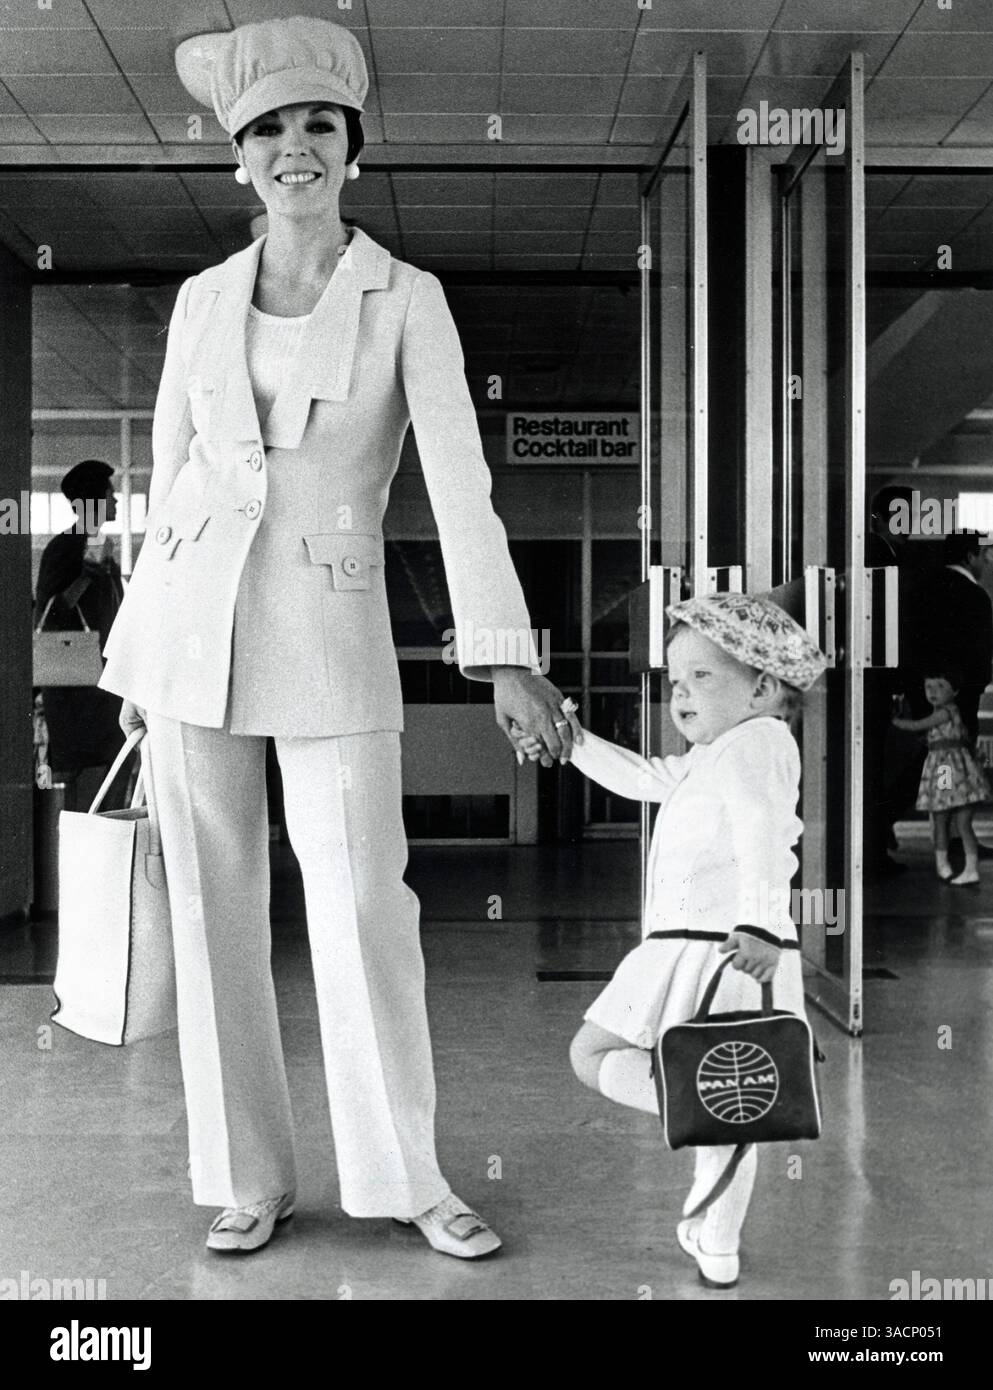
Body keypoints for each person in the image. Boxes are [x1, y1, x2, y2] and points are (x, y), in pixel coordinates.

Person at [97, 17, 574, 1259]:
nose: (294, 149)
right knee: (211, 910)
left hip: (333, 629)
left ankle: (410, 1177)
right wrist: (135, 665)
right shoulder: (202, 301)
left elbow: (460, 486)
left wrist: (505, 653)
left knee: (366, 903)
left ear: (352, 149)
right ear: (237, 161)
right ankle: (249, 1176)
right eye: (268, 131)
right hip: (192, 637)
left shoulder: (407, 298)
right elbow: (173, 482)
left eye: (318, 126)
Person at [514, 593, 827, 1288]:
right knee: (736, 1086)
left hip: (723, 946)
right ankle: (716, 1241)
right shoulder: (720, 752)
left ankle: (703, 1115)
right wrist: (571, 737)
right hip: (717, 946)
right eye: (675, 680)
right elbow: (642, 778)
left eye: (702, 678)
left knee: (596, 1052)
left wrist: (760, 920)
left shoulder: (756, 745)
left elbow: (761, 831)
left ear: (763, 688)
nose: (681, 693)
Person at [34, 459, 129, 807]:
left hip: (96, 684)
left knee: (110, 761)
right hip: (76, 690)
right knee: (87, 768)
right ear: (94, 501)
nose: (116, 501)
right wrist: (94, 572)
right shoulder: (66, 547)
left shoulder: (89, 546)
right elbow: (52, 611)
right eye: (110, 494)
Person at [893, 667, 990, 886]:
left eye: (940, 686)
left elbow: (917, 725)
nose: (933, 691)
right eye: (929, 686)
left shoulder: (944, 712)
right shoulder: (951, 714)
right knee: (957, 822)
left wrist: (895, 722)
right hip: (956, 771)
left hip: (946, 770)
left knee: (942, 816)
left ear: (954, 691)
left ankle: (945, 863)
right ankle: (957, 865)